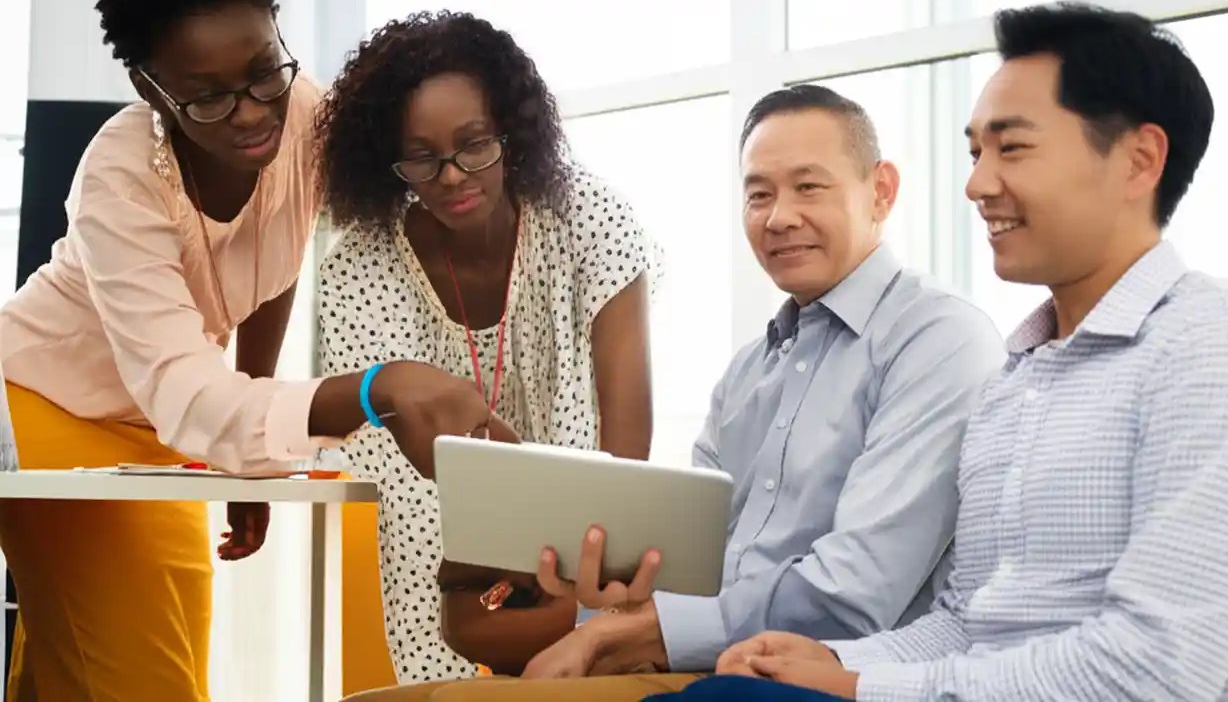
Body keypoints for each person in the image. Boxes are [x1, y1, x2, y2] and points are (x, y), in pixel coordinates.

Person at [686, 2, 1228, 702]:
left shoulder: (1220, 345)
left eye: (1013, 148)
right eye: (975, 154)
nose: (976, 185)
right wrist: (829, 658)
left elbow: (1155, 672)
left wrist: (864, 685)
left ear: (1138, 161)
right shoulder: (1015, 380)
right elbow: (968, 624)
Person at [348, 83, 1008, 701]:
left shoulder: (937, 339)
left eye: (808, 187)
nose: (780, 217)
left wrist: (620, 635)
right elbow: (691, 565)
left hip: (815, 676)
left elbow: (854, 592)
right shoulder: (749, 372)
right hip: (696, 663)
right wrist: (598, 588)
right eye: (758, 195)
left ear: (881, 191)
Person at [0, 0, 521, 701]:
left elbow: (275, 254)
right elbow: (189, 396)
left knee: (112, 659)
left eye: (262, 72)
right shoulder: (118, 179)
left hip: (157, 426)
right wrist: (375, 390)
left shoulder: (304, 113)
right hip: (45, 402)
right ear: (150, 89)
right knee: (146, 678)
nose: (250, 112)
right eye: (209, 97)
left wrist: (250, 458)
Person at [312, 10, 659, 683]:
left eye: (474, 145)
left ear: (511, 132)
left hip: (584, 542)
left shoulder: (591, 220)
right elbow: (407, 477)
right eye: (421, 156)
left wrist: (588, 569)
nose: (451, 176)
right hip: (440, 556)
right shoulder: (359, 269)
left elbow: (625, 445)